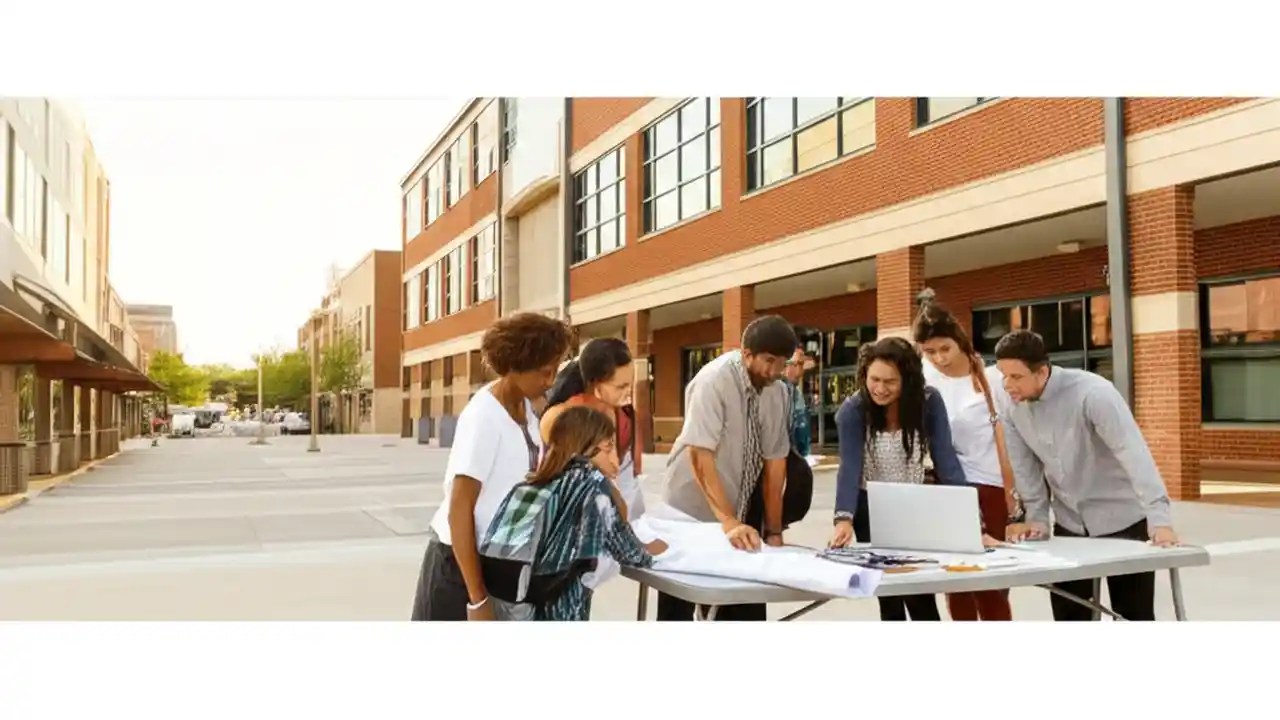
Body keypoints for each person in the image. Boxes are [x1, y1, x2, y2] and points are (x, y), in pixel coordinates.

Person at [995, 330, 1179, 621]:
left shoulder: (1094, 394)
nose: (1007, 385)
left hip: (1124, 523)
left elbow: (1134, 455)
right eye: (1002, 375)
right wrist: (1038, 518)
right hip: (1070, 524)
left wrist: (1160, 520)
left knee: (1133, 616)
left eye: (1016, 377)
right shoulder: (1009, 403)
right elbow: (1025, 466)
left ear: (1042, 371)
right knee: (1070, 617)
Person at [409, 312, 573, 622]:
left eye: (554, 371)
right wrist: (476, 599)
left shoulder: (526, 406)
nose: (550, 381)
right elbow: (460, 506)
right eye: (544, 372)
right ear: (513, 367)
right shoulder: (484, 417)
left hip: (497, 564)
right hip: (459, 569)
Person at [658, 315, 798, 621]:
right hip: (689, 511)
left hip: (738, 507)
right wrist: (728, 521)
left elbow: (775, 463)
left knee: (741, 605)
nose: (775, 371)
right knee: (677, 609)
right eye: (769, 361)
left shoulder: (778, 391)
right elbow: (700, 453)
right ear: (747, 353)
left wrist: (773, 532)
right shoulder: (713, 381)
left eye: (782, 363)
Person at [479, 406, 666, 621]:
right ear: (587, 448)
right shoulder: (592, 486)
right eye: (609, 447)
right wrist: (655, 549)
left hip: (514, 609)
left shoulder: (530, 485)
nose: (616, 458)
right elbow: (630, 553)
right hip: (563, 611)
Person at [829, 337, 968, 622]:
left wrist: (969, 517)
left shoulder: (928, 402)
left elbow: (946, 459)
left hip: (914, 505)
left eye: (890, 381)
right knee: (888, 592)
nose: (880, 389)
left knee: (919, 591)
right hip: (871, 506)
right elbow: (850, 467)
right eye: (874, 379)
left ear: (908, 379)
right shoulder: (853, 411)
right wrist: (843, 518)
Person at [912, 289, 1016, 621]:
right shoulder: (922, 378)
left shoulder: (991, 378)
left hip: (990, 485)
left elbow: (1009, 440)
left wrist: (1016, 498)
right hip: (945, 489)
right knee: (955, 581)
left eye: (945, 348)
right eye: (930, 351)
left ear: (959, 341)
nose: (940, 358)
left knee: (991, 583)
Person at [541, 337, 645, 590]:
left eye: (630, 384)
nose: (628, 393)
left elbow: (624, 478)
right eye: (620, 386)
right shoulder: (564, 417)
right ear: (595, 383)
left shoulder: (620, 414)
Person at [783, 347, 812, 457]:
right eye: (797, 364)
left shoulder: (796, 392)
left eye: (801, 365)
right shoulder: (780, 391)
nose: (800, 371)